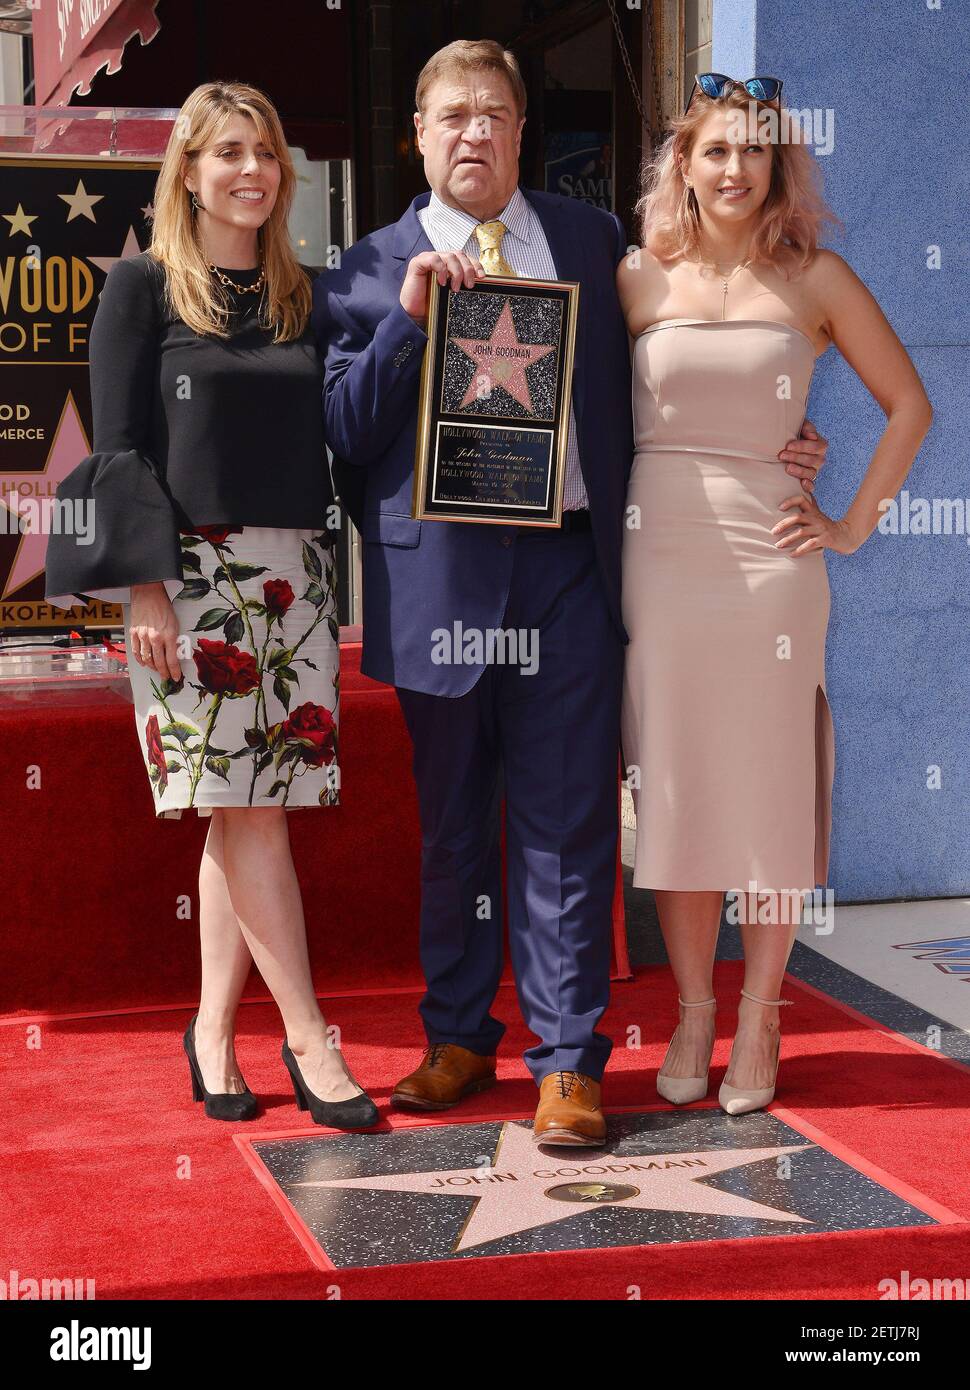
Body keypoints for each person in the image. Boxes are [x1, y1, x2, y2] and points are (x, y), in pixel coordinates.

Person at [313, 42, 826, 1146]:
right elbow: (345, 434)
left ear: (520, 131)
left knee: (569, 823)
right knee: (454, 829)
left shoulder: (596, 244)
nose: (475, 135)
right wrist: (407, 321)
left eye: (496, 114)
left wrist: (779, 434)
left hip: (572, 573)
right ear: (417, 132)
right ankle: (456, 1034)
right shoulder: (363, 268)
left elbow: (684, 371)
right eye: (453, 115)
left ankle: (566, 1059)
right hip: (440, 580)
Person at [45, 81, 377, 1131]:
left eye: (266, 153)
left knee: (243, 816)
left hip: (297, 580)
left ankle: (209, 1031)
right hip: (188, 586)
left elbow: (370, 410)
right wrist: (143, 587)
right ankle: (312, 1037)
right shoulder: (142, 288)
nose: (250, 171)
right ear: (187, 169)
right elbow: (122, 447)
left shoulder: (307, 296)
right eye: (227, 151)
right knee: (252, 811)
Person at [617, 74, 932, 1114]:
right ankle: (694, 1011)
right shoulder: (633, 280)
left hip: (770, 569)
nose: (734, 168)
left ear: (777, 164)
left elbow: (909, 408)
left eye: (755, 150)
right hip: (659, 563)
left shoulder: (816, 278)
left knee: (766, 789)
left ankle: (760, 1013)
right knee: (680, 787)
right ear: (683, 163)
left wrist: (848, 523)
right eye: (715, 149)